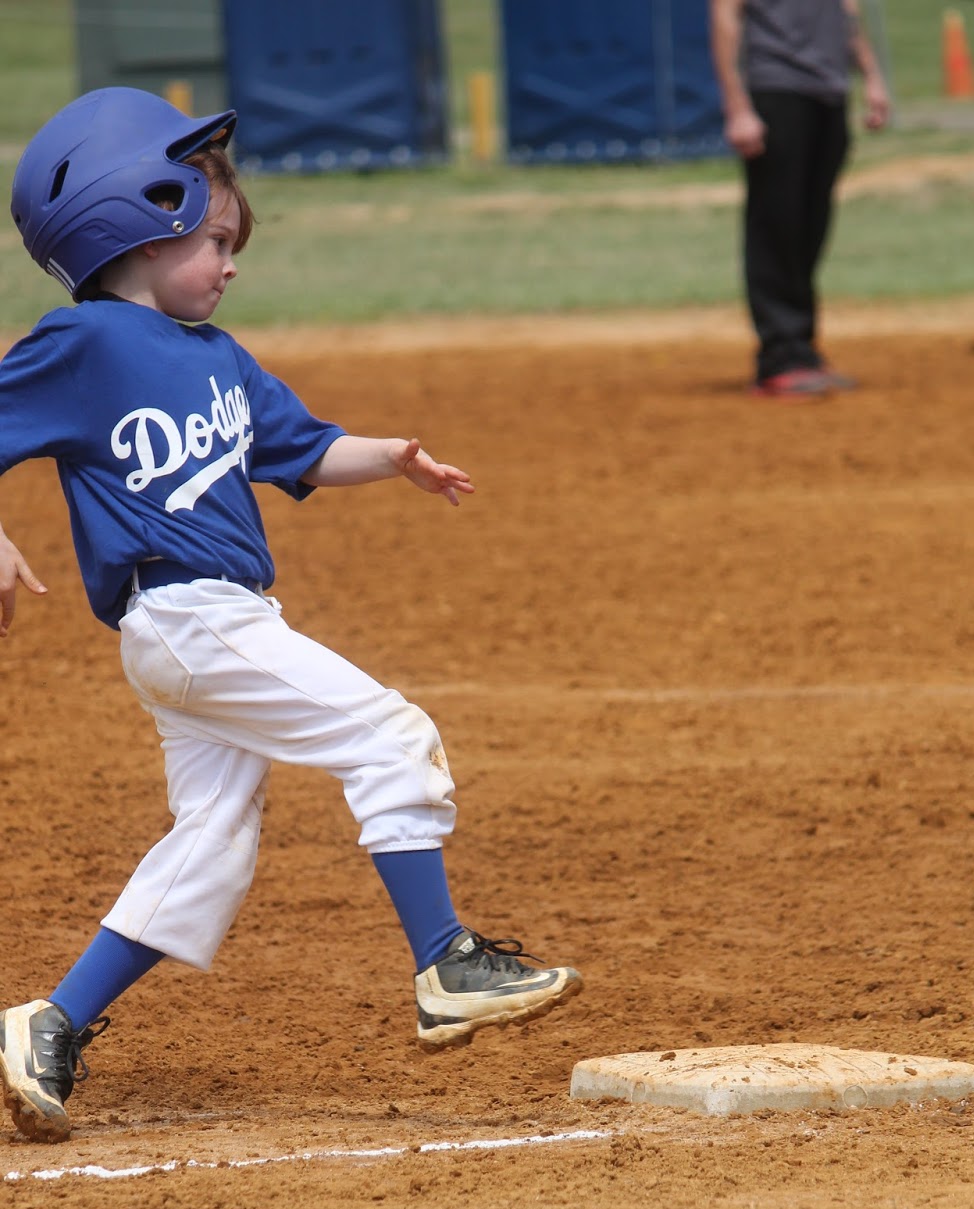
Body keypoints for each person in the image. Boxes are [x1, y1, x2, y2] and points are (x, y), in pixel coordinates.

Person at [0, 87, 582, 1145]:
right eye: (213, 238)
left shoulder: (218, 357)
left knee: (211, 841)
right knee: (391, 735)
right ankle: (446, 960)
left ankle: (51, 1019)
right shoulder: (82, 343)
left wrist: (390, 457)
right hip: (189, 617)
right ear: (134, 218)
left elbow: (304, 448)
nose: (229, 263)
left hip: (199, 631)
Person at [709, 0, 891, 396]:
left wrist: (872, 75)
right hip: (775, 88)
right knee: (777, 223)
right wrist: (737, 105)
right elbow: (725, 19)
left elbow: (848, 13)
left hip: (829, 89)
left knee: (810, 225)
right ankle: (779, 355)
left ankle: (801, 348)